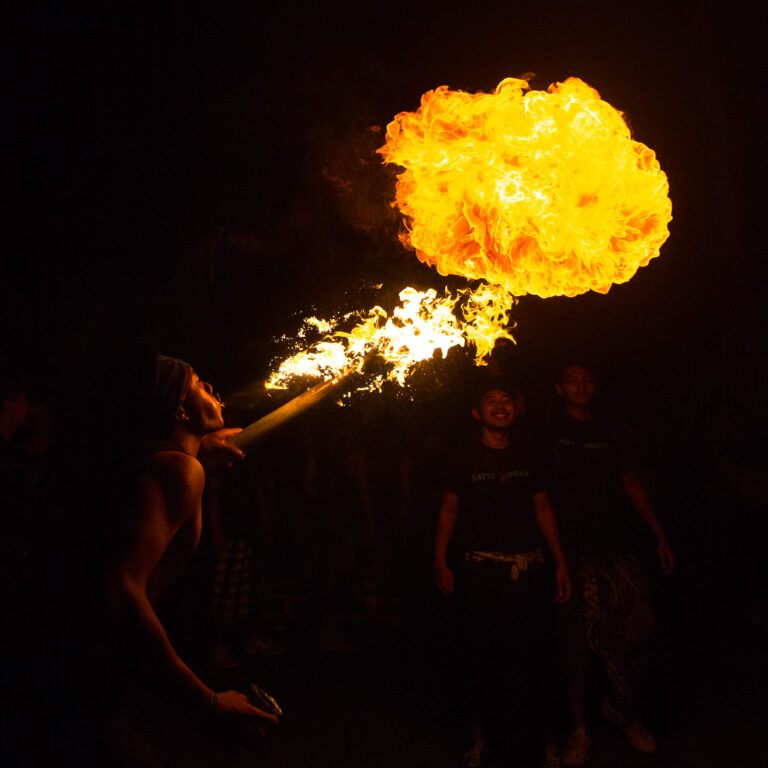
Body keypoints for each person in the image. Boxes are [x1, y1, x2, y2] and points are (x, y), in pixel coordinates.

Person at [59, 353, 279, 766]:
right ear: (178, 408)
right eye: (197, 382)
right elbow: (120, 590)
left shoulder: (170, 463)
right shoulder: (176, 469)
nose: (212, 387)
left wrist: (195, 453)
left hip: (95, 670)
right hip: (83, 670)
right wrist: (206, 701)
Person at [434, 375, 571, 768]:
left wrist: (560, 562)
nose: (500, 406)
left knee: (536, 660)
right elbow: (448, 512)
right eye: (490, 400)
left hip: (529, 572)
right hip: (481, 573)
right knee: (480, 660)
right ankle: (480, 743)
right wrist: (440, 562)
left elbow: (543, 509)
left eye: (506, 400)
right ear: (478, 412)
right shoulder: (460, 458)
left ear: (516, 409)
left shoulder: (530, 456)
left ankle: (543, 745)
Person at [546, 360, 674, 767]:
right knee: (576, 646)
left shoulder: (611, 428)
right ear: (559, 388)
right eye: (572, 381)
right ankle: (579, 733)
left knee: (638, 630)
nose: (581, 386)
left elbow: (632, 482)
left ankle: (623, 710)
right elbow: (536, 495)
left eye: (587, 380)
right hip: (570, 551)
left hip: (616, 546)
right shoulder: (548, 432)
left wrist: (658, 534)